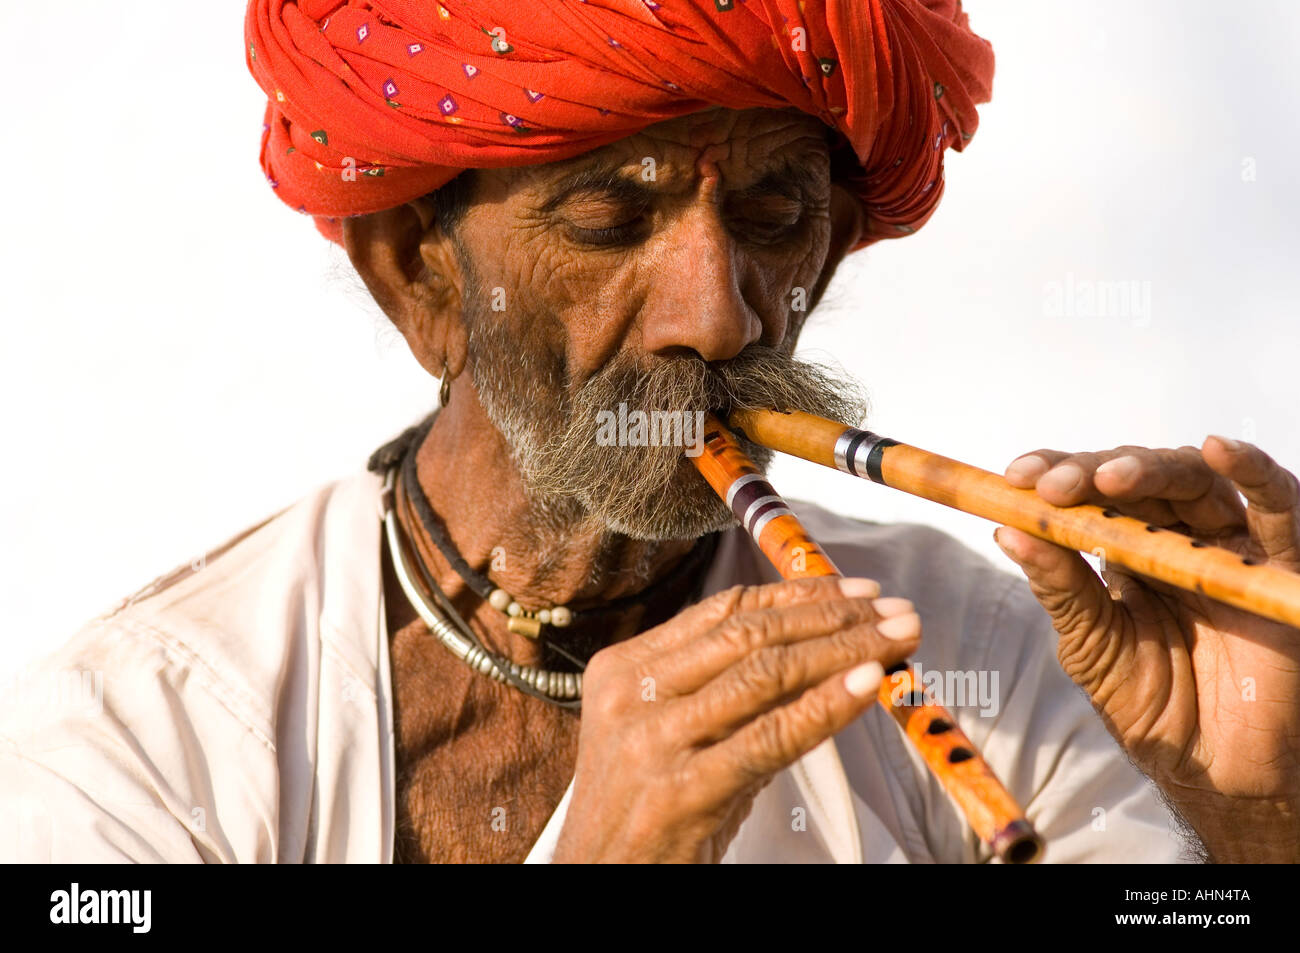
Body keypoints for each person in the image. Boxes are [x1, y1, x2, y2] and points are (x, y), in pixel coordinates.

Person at [3, 0, 1297, 864]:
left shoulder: (986, 659)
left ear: (834, 248)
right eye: (613, 221)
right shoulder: (140, 737)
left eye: (778, 214)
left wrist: (1244, 812)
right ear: (417, 274)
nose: (720, 317)